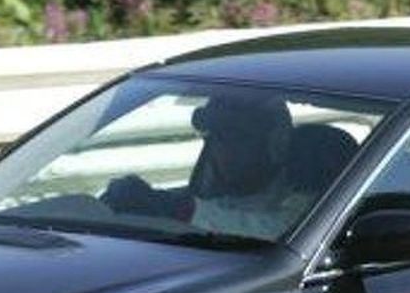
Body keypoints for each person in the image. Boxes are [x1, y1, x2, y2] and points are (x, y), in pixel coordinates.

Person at [99, 91, 312, 240]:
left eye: (238, 138)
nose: (224, 150)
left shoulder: (308, 206)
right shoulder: (217, 192)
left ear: (275, 143)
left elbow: (279, 233)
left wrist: (182, 210)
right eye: (218, 138)